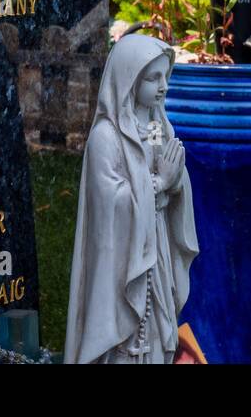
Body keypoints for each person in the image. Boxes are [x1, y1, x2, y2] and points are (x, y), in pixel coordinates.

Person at [65, 34, 198, 364]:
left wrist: (175, 180)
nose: (163, 86)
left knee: (157, 327)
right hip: (121, 261)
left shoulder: (156, 126)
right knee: (128, 336)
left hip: (156, 247)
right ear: (129, 79)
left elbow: (170, 168)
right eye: (153, 78)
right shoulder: (106, 138)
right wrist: (158, 183)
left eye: (165, 76)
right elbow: (110, 204)